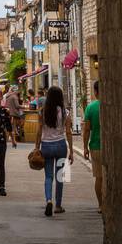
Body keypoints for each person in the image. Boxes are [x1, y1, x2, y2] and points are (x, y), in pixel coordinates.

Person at [34, 85, 74, 216]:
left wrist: (36, 147)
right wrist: (71, 151)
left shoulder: (42, 112)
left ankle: (48, 200)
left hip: (46, 146)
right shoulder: (65, 112)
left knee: (48, 176)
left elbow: (39, 131)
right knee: (60, 177)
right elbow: (68, 132)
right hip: (61, 145)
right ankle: (58, 205)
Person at [83, 80, 102, 213]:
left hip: (96, 145)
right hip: (109, 148)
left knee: (99, 177)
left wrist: (85, 147)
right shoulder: (112, 105)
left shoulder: (90, 108)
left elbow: (86, 130)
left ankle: (101, 204)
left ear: (95, 92)